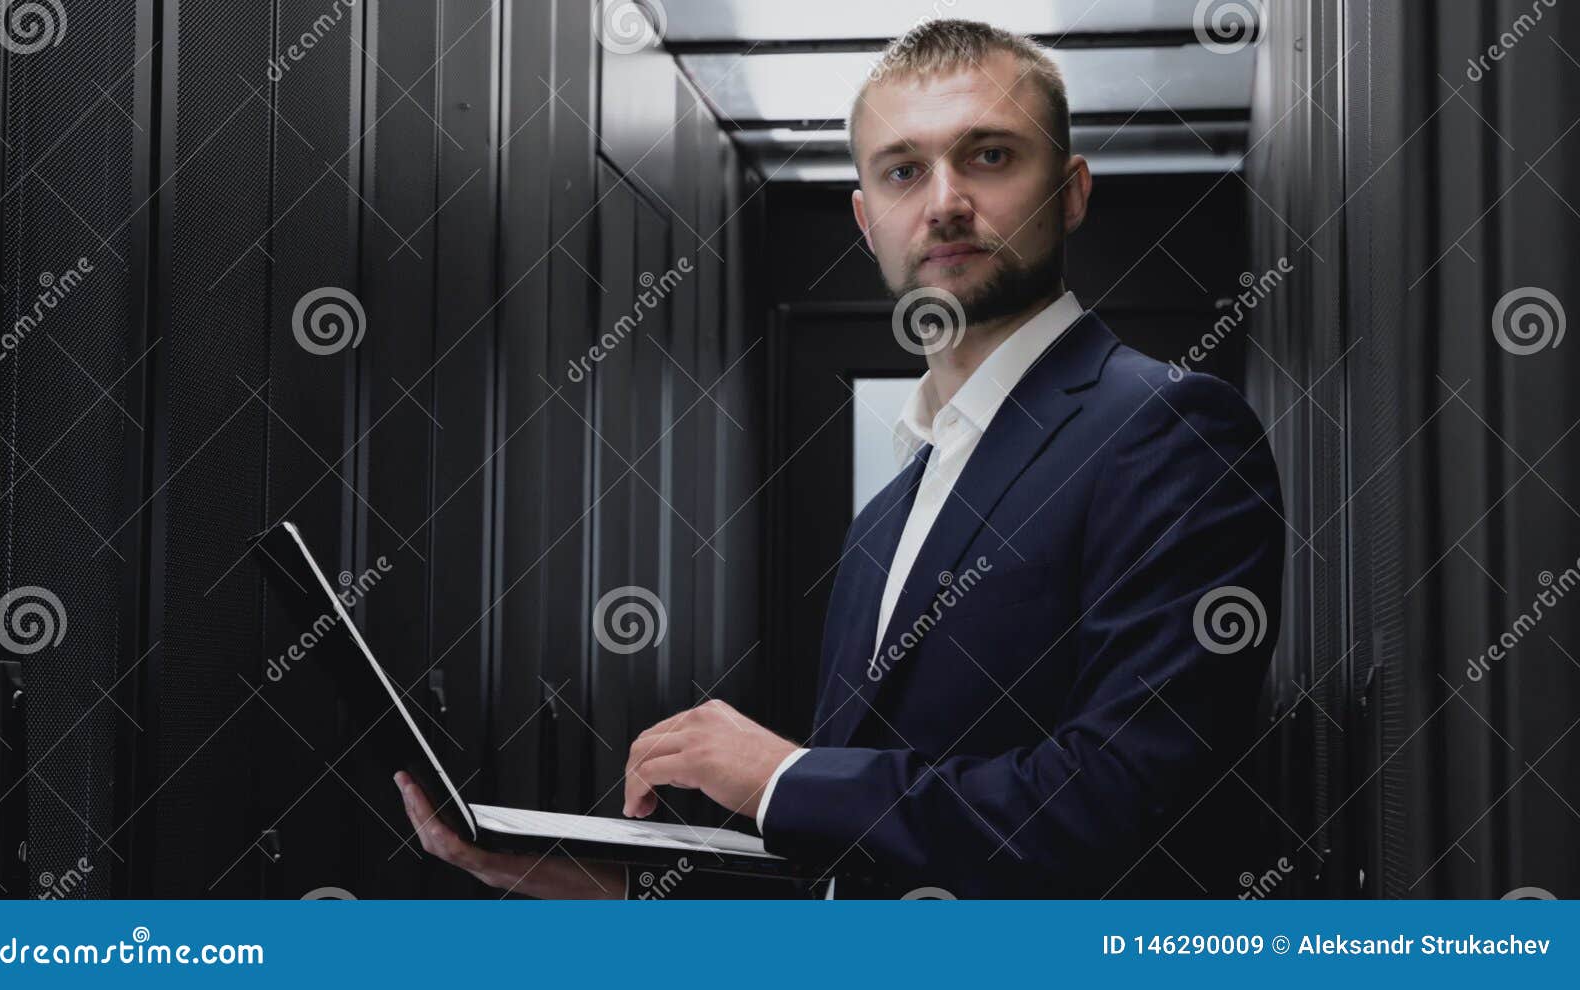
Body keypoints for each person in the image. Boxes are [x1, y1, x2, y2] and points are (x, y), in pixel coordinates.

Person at [398, 17, 1285, 899]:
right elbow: (856, 875)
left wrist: (782, 778)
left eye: (989, 156)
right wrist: (618, 886)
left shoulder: (1170, 430)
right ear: (867, 219)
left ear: (1072, 191)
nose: (943, 201)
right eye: (903, 171)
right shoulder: (885, 518)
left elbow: (1125, 805)